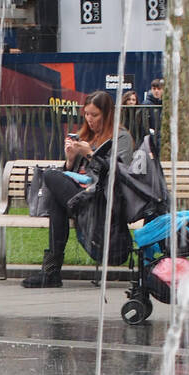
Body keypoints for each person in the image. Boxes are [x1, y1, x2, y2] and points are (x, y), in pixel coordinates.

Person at [22, 90, 133, 288]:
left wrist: (90, 154)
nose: (90, 119)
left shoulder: (121, 138)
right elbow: (73, 174)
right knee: (56, 194)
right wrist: (71, 158)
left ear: (107, 115)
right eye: (87, 114)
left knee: (50, 176)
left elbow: (118, 174)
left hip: (102, 199)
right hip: (80, 198)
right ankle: (51, 273)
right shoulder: (85, 137)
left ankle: (51, 271)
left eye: (95, 115)